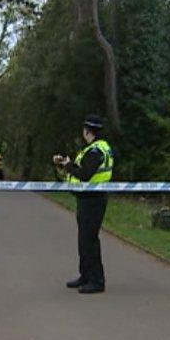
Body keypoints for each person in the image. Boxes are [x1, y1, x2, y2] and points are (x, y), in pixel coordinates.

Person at [52, 115, 114, 294]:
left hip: (93, 199)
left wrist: (69, 165)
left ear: (87, 131)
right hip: (87, 198)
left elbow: (85, 174)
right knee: (84, 239)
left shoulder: (95, 151)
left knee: (90, 240)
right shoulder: (96, 148)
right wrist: (66, 165)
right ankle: (85, 276)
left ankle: (96, 280)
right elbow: (80, 171)